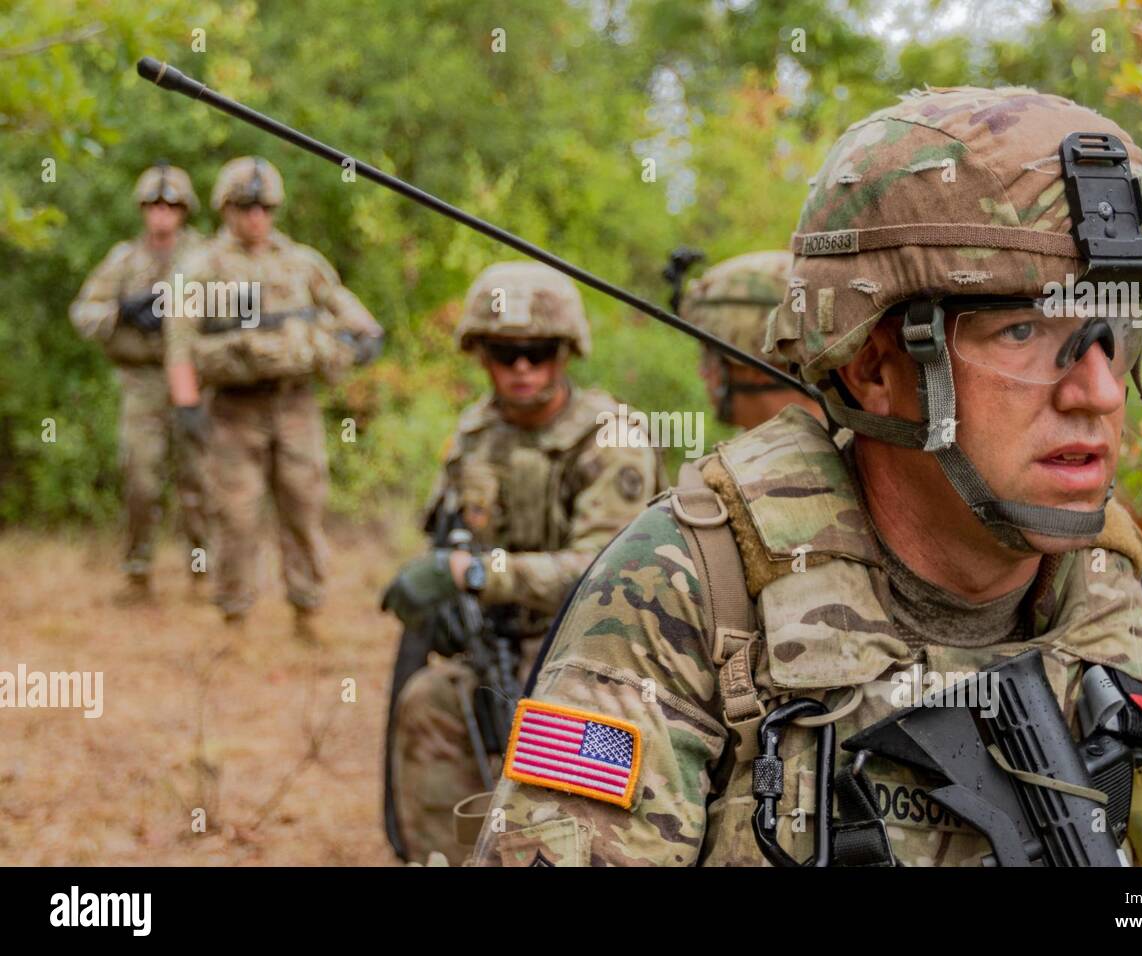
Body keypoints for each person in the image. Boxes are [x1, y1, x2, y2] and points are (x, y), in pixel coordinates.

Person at [467, 87, 1142, 867]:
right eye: (1021, 332)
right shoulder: (685, 593)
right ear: (874, 367)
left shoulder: (1130, 599)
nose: (1099, 392)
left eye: (1115, 332)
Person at [381, 261, 663, 864]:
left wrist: (479, 576)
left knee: (572, 781)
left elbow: (602, 573)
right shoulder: (475, 434)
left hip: (597, 655)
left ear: (565, 352)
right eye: (505, 353)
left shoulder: (611, 435)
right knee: (427, 702)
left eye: (537, 351)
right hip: (500, 645)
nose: (523, 368)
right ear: (481, 354)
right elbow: (450, 536)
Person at [164, 156, 383, 640]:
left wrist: (365, 335)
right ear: (226, 209)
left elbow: (345, 306)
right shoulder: (202, 268)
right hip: (234, 410)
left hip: (295, 405)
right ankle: (234, 619)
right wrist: (186, 405)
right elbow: (179, 341)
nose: (255, 217)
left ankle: (307, 612)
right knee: (237, 516)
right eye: (245, 207)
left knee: (304, 507)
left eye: (264, 207)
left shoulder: (301, 262)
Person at [70, 163, 209, 605]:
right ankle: (138, 571)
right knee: (141, 477)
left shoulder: (204, 256)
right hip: (142, 382)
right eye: (154, 205)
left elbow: (239, 307)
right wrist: (123, 312)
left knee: (199, 479)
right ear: (143, 209)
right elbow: (83, 313)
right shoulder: (123, 260)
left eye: (170, 205)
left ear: (184, 210)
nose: (162, 213)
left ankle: (202, 572)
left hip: (193, 379)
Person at [681, 250, 823, 429]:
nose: (702, 372)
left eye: (710, 357)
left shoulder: (762, 455)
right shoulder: (855, 446)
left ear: (756, 366)